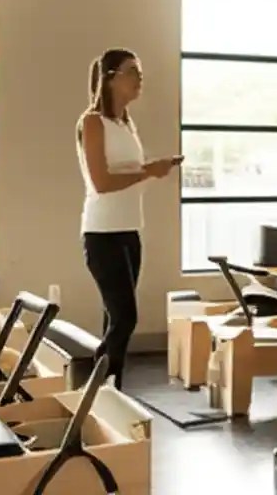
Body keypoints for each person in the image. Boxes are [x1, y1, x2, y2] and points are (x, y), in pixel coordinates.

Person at [76, 48, 181, 390]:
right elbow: (102, 182)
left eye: (140, 72)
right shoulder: (93, 122)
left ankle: (110, 393)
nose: (140, 79)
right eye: (132, 72)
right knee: (126, 318)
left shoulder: (125, 124)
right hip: (102, 233)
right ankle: (95, 392)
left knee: (114, 318)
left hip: (129, 231)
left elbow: (129, 172)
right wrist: (148, 171)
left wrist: (153, 168)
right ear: (110, 78)